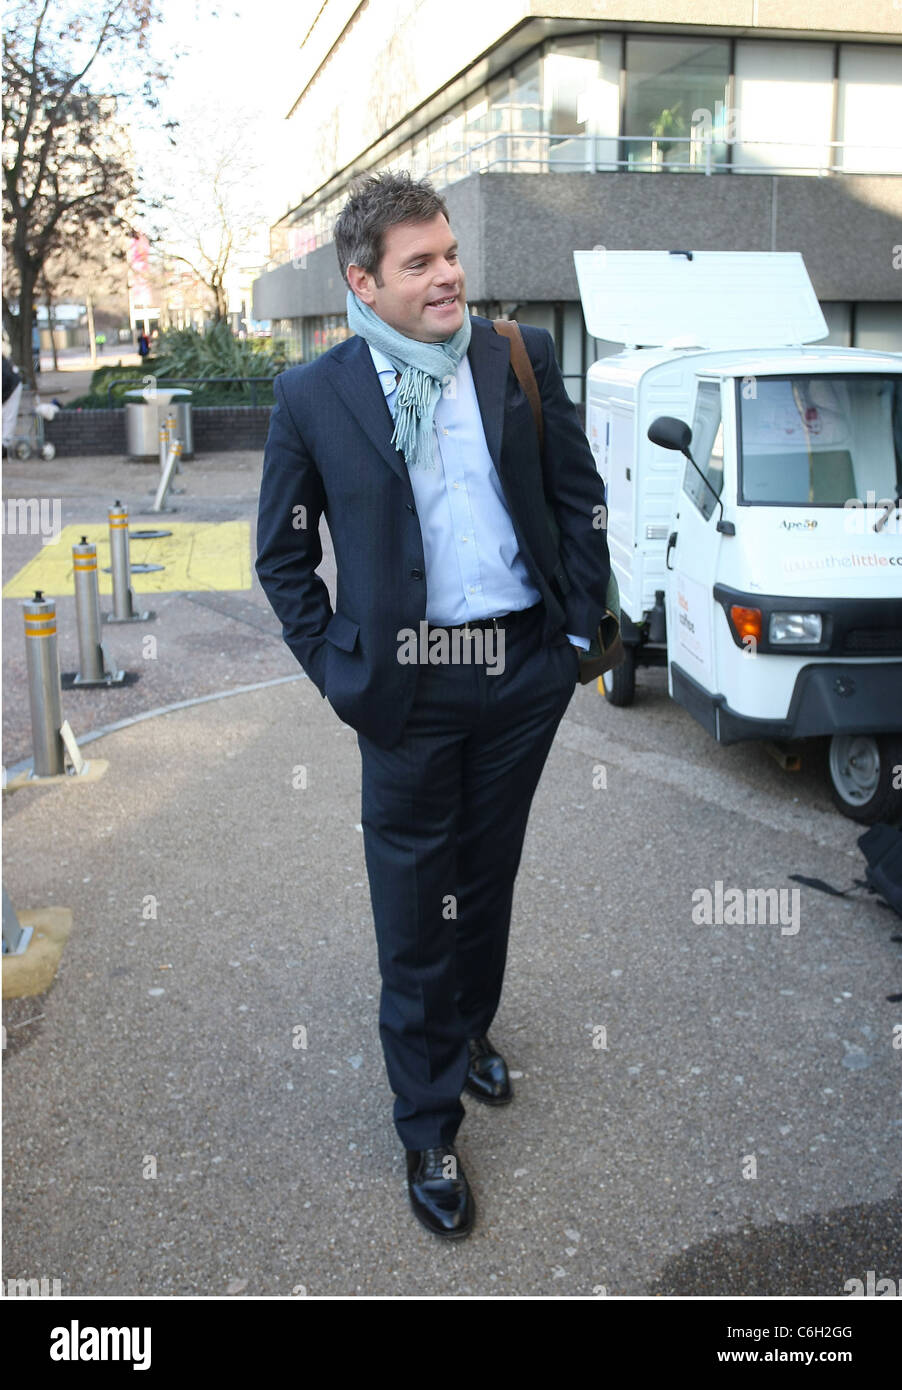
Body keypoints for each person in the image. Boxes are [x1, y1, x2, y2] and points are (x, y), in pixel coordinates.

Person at [255, 171, 610, 1239]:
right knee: (415, 907)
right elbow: (281, 560)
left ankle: (465, 1031)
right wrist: (341, 671)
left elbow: (575, 495)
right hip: (404, 686)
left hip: (518, 671)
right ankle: (426, 1124)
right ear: (363, 282)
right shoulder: (313, 395)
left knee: (484, 877)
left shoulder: (515, 357)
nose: (449, 273)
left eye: (450, 252)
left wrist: (578, 635)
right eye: (420, 262)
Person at [2, 352, 24, 452]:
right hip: (7, 386)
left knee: (8, 416)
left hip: (12, 388)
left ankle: (4, 446)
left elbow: (5, 382)